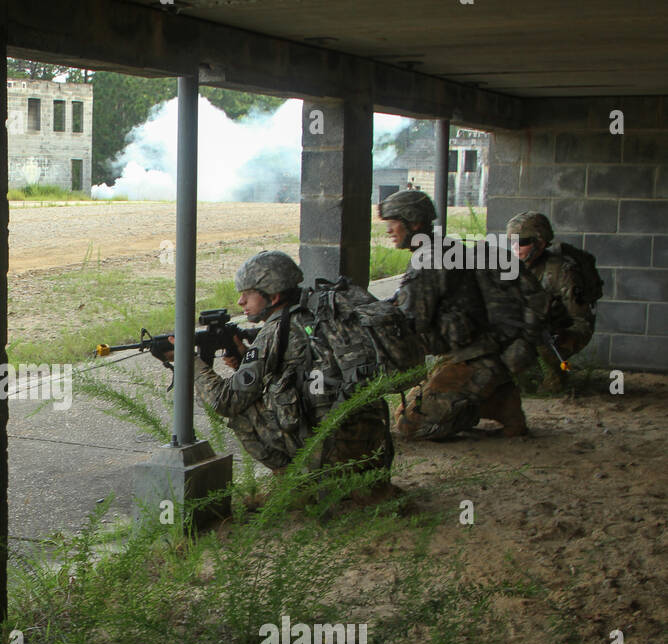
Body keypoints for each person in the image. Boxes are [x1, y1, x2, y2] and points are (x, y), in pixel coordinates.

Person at [167, 251, 394, 485]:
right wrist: (246, 357)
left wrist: (190, 360)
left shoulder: (276, 329)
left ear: (273, 297)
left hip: (331, 452)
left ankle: (296, 483)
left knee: (242, 410)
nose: (240, 302)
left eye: (248, 294)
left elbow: (225, 401)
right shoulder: (317, 312)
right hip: (372, 443)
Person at [379, 190, 526, 439]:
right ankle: (497, 397)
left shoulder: (429, 258)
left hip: (470, 357)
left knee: (410, 425)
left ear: (413, 222)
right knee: (407, 410)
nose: (389, 231)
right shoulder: (443, 248)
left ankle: (487, 403)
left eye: (393, 223)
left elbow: (411, 319)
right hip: (475, 352)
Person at [507, 210, 599, 392]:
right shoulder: (514, 267)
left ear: (540, 243)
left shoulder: (562, 272)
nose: (515, 247)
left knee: (547, 387)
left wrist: (559, 334)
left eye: (522, 242)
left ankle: (555, 377)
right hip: (525, 329)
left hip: (556, 335)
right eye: (511, 242)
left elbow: (581, 322)